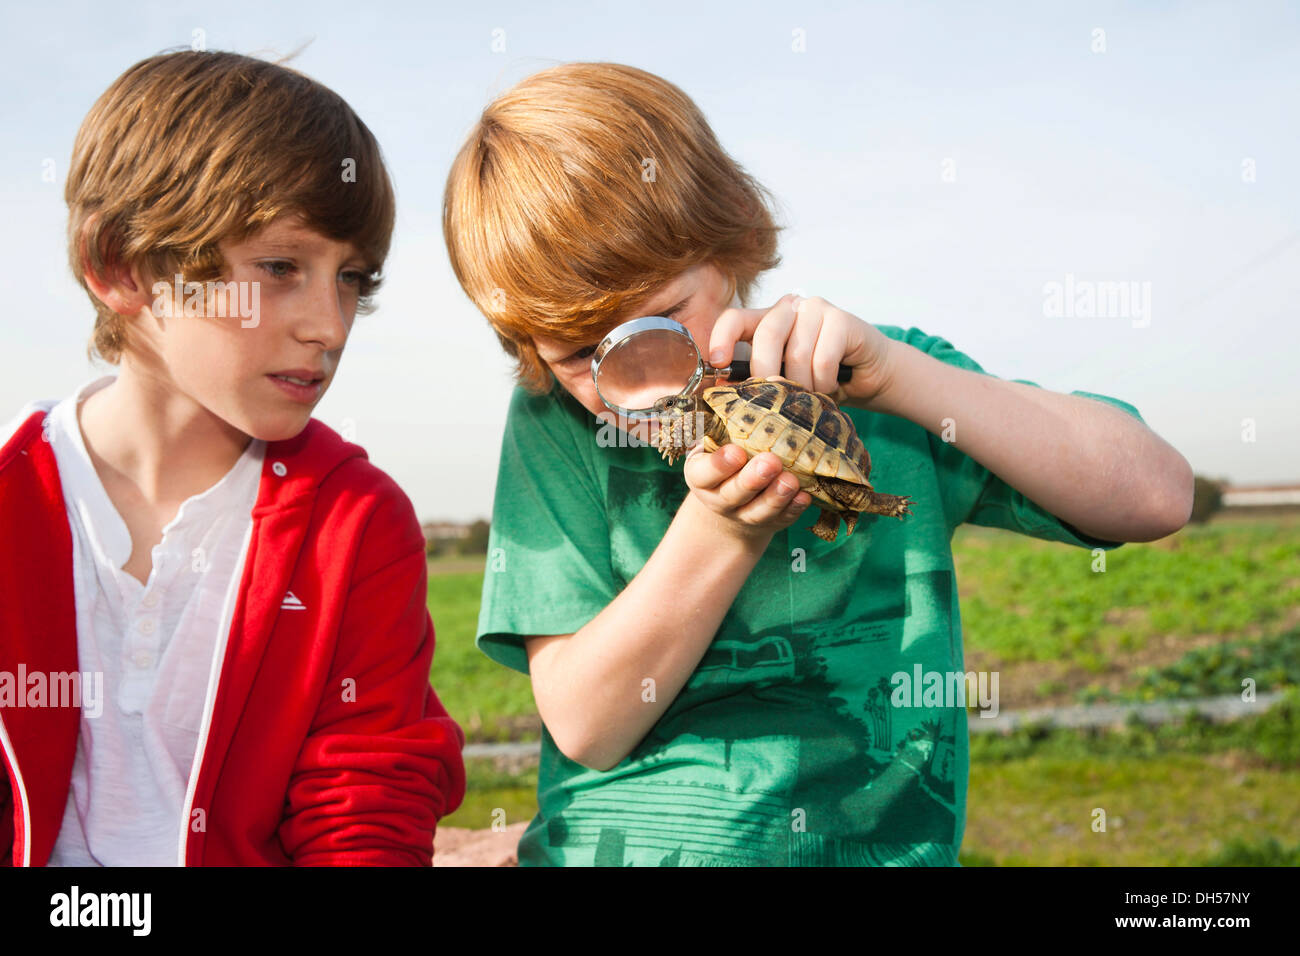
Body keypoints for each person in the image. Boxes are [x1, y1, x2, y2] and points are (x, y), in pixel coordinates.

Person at [443, 62, 1193, 866]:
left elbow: (1154, 496)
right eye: (584, 356)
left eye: (662, 319)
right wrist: (723, 527)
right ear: (532, 355)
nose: (641, 380)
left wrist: (906, 378)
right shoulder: (555, 426)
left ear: (729, 246)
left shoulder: (869, 382)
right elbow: (588, 724)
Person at [0, 50, 465, 866]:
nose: (330, 324)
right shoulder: (12, 501)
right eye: (280, 267)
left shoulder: (356, 522)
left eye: (352, 278)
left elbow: (367, 805)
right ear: (122, 266)